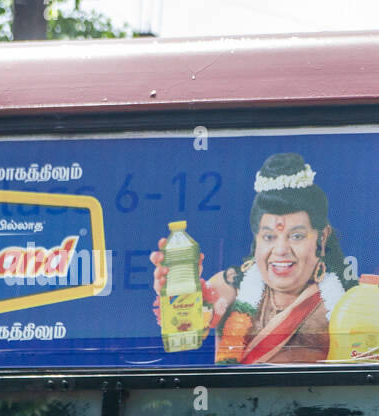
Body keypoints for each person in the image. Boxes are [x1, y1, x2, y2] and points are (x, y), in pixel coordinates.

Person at [151, 152, 355, 364]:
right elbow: (189, 330)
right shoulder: (231, 287)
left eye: (296, 236)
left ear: (321, 237)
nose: (281, 250)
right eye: (269, 236)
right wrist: (177, 291)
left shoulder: (344, 302)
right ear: (256, 239)